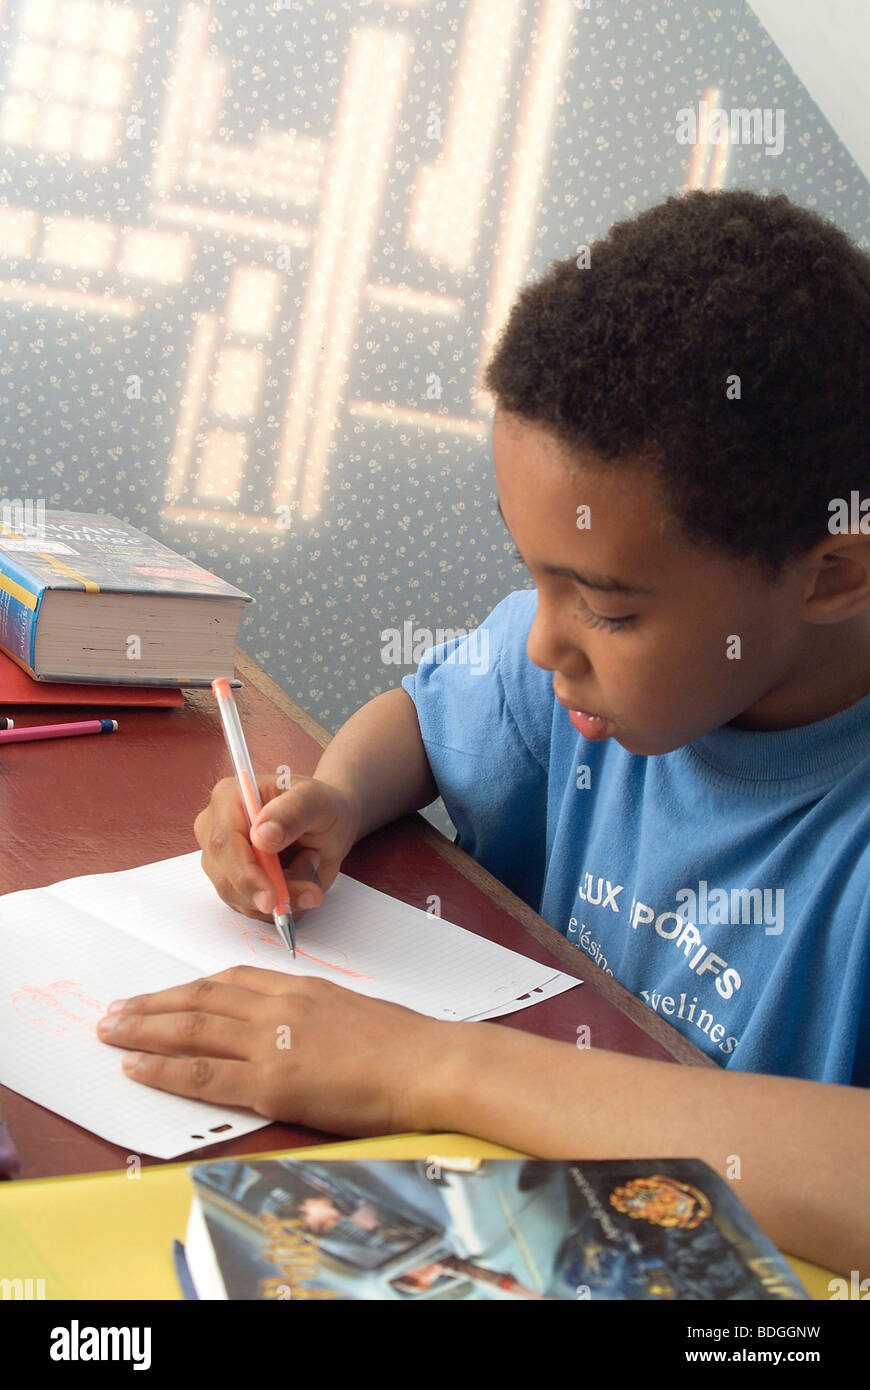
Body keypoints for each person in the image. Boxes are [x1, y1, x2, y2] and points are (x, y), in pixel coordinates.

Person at [97, 189, 870, 1274]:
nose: (544, 640)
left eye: (608, 606)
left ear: (832, 573)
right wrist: (337, 798)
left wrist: (426, 1067)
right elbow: (424, 714)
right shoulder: (578, 664)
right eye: (530, 574)